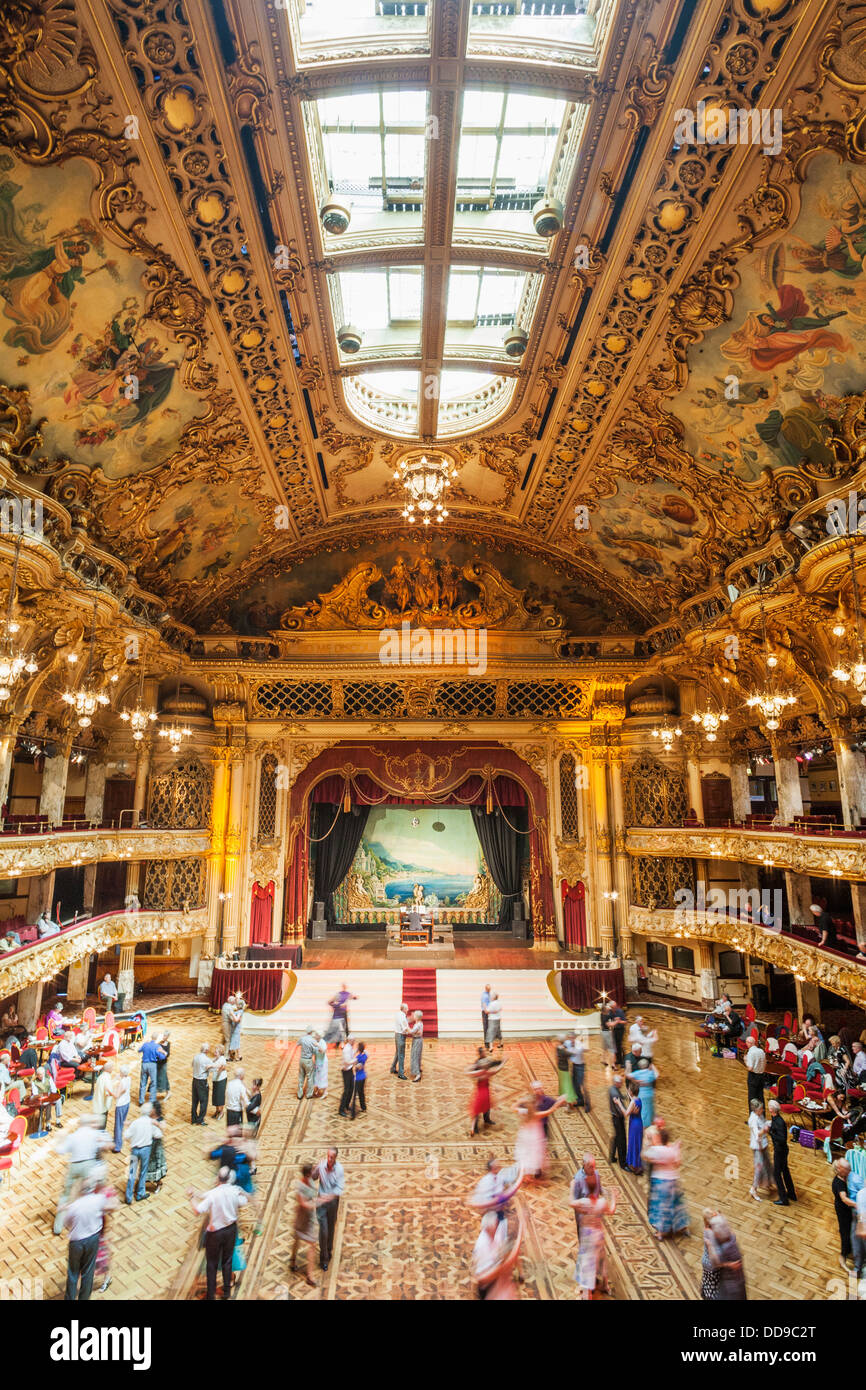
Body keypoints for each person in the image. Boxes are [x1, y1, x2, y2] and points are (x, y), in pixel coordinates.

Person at [190, 1167, 248, 1301]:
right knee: (227, 1261)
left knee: (212, 1264)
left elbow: (198, 1210)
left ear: (218, 1179)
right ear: (229, 1178)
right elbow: (243, 1202)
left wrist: (192, 1197)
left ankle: (210, 1295)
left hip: (215, 1233)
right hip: (231, 1230)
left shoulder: (214, 1194)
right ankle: (227, 1291)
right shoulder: (234, 1191)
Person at [61, 1173, 115, 1301]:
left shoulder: (75, 1206)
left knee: (73, 1273)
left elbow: (67, 1223)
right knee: (88, 1272)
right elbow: (110, 1206)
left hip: (76, 1242)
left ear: (81, 1190)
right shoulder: (99, 1199)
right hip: (93, 1239)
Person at [53, 1116, 111, 1234]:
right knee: (87, 1193)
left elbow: (60, 1150)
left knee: (66, 1194)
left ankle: (58, 1227)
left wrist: (58, 1140)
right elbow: (104, 1146)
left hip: (74, 1166)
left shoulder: (73, 1136)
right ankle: (88, 1220)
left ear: (79, 1124)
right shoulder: (93, 1134)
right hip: (88, 1166)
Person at [571, 1173, 617, 1299]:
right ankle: (605, 1285)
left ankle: (587, 1294)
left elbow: (571, 1203)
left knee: (587, 1265)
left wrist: (572, 1186)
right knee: (602, 1261)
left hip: (588, 1237)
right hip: (598, 1235)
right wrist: (613, 1197)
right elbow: (612, 1210)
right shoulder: (601, 1203)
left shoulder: (584, 1202)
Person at [645, 1122, 690, 1239]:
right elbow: (677, 1163)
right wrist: (677, 1148)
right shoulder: (671, 1149)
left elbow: (645, 1156)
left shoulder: (656, 1150)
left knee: (662, 1207)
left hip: (660, 1182)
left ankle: (661, 1232)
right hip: (674, 1180)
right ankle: (682, 1227)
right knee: (676, 1204)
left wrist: (650, 1142)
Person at [472, 1209, 524, 1300]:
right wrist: (502, 1268)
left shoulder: (496, 1233)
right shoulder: (482, 1246)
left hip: (496, 1281)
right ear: (489, 1228)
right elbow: (481, 1278)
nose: (497, 1225)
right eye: (495, 1224)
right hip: (488, 1285)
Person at [313, 1147, 344, 1272]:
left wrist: (329, 1197)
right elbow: (313, 1177)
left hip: (332, 1203)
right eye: (328, 1156)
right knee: (324, 1230)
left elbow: (339, 1189)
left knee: (331, 1227)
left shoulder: (339, 1169)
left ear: (335, 1158)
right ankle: (323, 1258)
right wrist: (315, 1169)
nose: (329, 1159)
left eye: (331, 1157)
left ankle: (329, 1250)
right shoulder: (322, 1165)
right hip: (321, 1202)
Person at [124, 1102, 161, 1204]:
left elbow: (126, 1135)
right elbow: (158, 1134)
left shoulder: (135, 1123)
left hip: (135, 1150)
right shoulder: (150, 1123)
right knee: (143, 1172)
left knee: (132, 1173)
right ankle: (140, 1194)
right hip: (146, 1150)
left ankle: (128, 1197)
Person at [290, 1162, 319, 1287]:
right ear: (307, 1174)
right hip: (303, 1217)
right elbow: (303, 1204)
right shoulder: (300, 1187)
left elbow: (318, 1169)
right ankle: (310, 1276)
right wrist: (317, 1203)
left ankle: (292, 1261)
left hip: (309, 1217)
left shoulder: (310, 1179)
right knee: (310, 1244)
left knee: (298, 1238)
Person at [708, 1214, 747, 1299]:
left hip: (730, 1285)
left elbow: (714, 1263)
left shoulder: (725, 1249)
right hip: (735, 1281)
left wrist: (727, 1265)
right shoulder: (731, 1237)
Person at [767, 1099, 797, 1206]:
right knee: (785, 1171)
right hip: (782, 1149)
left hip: (780, 1150)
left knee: (777, 1174)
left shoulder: (779, 1121)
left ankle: (783, 1199)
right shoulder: (776, 1119)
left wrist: (770, 1132)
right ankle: (792, 1194)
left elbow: (782, 1138)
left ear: (771, 1109)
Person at [468, 1050, 502, 1136]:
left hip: (484, 1092)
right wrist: (503, 1062)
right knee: (479, 1110)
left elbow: (494, 1064)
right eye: (483, 1052)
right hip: (482, 1093)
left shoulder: (482, 1071)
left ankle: (482, 1123)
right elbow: (496, 1068)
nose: (484, 1053)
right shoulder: (484, 1072)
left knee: (482, 1108)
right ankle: (475, 1128)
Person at [514, 1093, 547, 1179]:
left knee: (526, 1153)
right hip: (534, 1136)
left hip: (525, 1135)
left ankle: (527, 1173)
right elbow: (550, 1111)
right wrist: (558, 1103)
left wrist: (520, 1100)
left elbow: (512, 1107)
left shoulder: (524, 1112)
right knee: (535, 1154)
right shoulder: (535, 1115)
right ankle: (533, 1172)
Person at [747, 1099, 774, 1202]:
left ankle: (768, 1182)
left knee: (767, 1163)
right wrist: (765, 1129)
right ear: (756, 1110)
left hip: (763, 1144)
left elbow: (763, 1123)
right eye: (761, 1109)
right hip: (757, 1147)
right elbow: (757, 1132)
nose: (763, 1111)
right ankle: (753, 1189)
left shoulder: (760, 1115)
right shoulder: (753, 1119)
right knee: (759, 1168)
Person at [832, 1159, 854, 1271]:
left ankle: (849, 1249)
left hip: (847, 1210)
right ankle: (843, 1256)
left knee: (850, 1230)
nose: (849, 1171)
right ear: (840, 1170)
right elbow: (844, 1199)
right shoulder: (838, 1183)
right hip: (842, 1211)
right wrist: (857, 1204)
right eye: (847, 1169)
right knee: (845, 1233)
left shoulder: (844, 1177)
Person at [137, 1033, 166, 1107]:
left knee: (143, 1082)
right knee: (153, 1083)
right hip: (152, 1065)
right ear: (156, 1039)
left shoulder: (146, 1044)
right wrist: (164, 1052)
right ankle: (152, 1101)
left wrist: (144, 1044)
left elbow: (139, 1050)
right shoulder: (157, 1046)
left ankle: (141, 1101)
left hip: (144, 1064)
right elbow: (162, 1057)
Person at [146, 1099, 168, 1191]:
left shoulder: (160, 1119)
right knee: (146, 1165)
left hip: (156, 1146)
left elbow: (163, 1128)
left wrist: (157, 1124)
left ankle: (159, 1183)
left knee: (156, 1164)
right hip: (147, 1144)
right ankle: (142, 1183)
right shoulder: (147, 1117)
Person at [700, 1208, 722, 1300]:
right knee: (714, 1283)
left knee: (708, 1279)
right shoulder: (714, 1235)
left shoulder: (707, 1230)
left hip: (706, 1261)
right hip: (712, 1264)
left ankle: (704, 1292)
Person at [608, 1070, 628, 1170]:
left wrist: (626, 1096)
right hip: (618, 1118)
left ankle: (611, 1156)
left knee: (616, 1137)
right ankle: (623, 1163)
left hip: (615, 1117)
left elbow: (620, 1096)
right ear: (617, 1083)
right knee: (621, 1140)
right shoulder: (615, 1093)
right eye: (621, 1083)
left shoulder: (612, 1088)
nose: (622, 1084)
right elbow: (619, 1108)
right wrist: (626, 1113)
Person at [191, 1043, 215, 1125]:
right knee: (204, 1101)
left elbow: (192, 1065)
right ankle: (200, 1120)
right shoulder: (207, 1059)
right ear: (207, 1050)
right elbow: (212, 1069)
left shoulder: (196, 1057)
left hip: (194, 1080)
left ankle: (193, 1119)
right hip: (202, 1082)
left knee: (194, 1101)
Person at [624, 1078, 644, 1174]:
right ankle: (638, 1164)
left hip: (634, 1126)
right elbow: (633, 1101)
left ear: (631, 1091)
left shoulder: (633, 1102)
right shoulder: (638, 1099)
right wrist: (629, 1096)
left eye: (628, 1090)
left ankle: (636, 1167)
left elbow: (626, 1113)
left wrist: (619, 1103)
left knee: (633, 1144)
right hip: (639, 1123)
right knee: (638, 1144)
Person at [568, 1030, 590, 1111]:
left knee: (583, 1086)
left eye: (572, 1038)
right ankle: (580, 1100)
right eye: (570, 1038)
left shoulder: (579, 1045)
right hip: (574, 1066)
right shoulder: (568, 1044)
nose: (571, 1040)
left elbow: (578, 1051)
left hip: (580, 1067)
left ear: (575, 1038)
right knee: (575, 1085)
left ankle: (588, 1104)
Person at [744, 1035, 766, 1117]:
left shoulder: (751, 1053)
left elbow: (750, 1068)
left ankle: (752, 1118)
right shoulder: (761, 1051)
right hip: (761, 1076)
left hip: (753, 1077)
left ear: (749, 1043)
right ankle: (762, 1116)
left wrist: (745, 1061)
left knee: (752, 1098)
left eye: (746, 1042)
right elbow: (764, 1064)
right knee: (761, 1097)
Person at [111, 1065, 131, 1152]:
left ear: (122, 1073)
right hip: (127, 1103)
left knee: (118, 1125)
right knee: (121, 1124)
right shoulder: (129, 1079)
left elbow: (116, 1095)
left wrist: (110, 1090)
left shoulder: (121, 1083)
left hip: (120, 1105)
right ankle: (118, 1141)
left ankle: (117, 1146)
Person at [92, 1059, 116, 1132]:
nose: (113, 1069)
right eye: (112, 1067)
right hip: (103, 1106)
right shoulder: (106, 1078)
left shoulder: (102, 1076)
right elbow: (107, 1092)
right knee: (101, 1127)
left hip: (97, 1104)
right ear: (109, 1069)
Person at [556, 1034, 577, 1106]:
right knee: (567, 1085)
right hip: (565, 1070)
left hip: (560, 1068)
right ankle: (568, 1100)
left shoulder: (558, 1048)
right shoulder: (564, 1051)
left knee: (562, 1084)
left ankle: (561, 1098)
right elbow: (574, 1053)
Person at [297, 1025, 317, 1100]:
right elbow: (315, 1050)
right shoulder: (312, 1040)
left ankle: (299, 1093)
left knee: (301, 1077)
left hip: (302, 1059)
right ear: (311, 1032)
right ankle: (308, 1094)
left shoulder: (302, 1038)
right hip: (308, 1060)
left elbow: (297, 1044)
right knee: (309, 1077)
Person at [390, 1002, 409, 1080]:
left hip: (397, 1035)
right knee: (401, 1055)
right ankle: (401, 1073)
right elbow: (404, 1027)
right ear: (404, 1009)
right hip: (401, 1036)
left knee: (398, 1053)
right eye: (407, 1008)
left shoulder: (398, 1014)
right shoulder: (402, 1016)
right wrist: (410, 1031)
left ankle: (393, 1068)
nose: (408, 1010)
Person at [338, 1034, 356, 1117]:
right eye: (353, 1040)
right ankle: (341, 1109)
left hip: (350, 1070)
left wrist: (358, 1051)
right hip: (346, 1071)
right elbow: (347, 1062)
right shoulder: (346, 1049)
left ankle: (346, 1105)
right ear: (350, 1040)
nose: (354, 1042)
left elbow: (352, 1054)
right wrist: (356, 1060)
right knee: (346, 1090)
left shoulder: (350, 1047)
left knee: (351, 1089)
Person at [351, 1040, 368, 1118]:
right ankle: (363, 1107)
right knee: (361, 1093)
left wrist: (356, 1066)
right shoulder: (365, 1056)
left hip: (358, 1078)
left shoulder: (357, 1057)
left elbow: (355, 1067)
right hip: (364, 1077)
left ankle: (353, 1113)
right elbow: (367, 1053)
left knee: (355, 1095)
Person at [211, 1045, 228, 1121]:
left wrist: (219, 1070)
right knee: (215, 1095)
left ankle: (221, 1112)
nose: (215, 1052)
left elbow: (224, 1067)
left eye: (216, 1051)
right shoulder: (215, 1059)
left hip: (221, 1080)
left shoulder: (222, 1059)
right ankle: (217, 1110)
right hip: (215, 1080)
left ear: (220, 1052)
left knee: (220, 1096)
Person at [606, 1001, 626, 1066]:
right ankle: (618, 1060)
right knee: (616, 1046)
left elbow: (625, 1022)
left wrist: (619, 1021)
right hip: (615, 1030)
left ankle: (623, 1061)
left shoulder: (620, 1011)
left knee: (620, 1045)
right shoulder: (611, 1012)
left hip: (621, 1030)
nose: (614, 1008)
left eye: (614, 1007)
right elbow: (608, 1018)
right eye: (612, 1007)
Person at [227, 995, 245, 1061]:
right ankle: (239, 1055)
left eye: (237, 1004)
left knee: (233, 1042)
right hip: (236, 1028)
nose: (236, 1004)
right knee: (236, 1042)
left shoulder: (240, 1012)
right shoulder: (240, 1010)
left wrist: (232, 1014)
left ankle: (231, 1057)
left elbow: (237, 1020)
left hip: (235, 1029)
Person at [155, 1030, 171, 1097]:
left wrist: (163, 1052)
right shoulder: (159, 1043)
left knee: (164, 1077)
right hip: (157, 1062)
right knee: (156, 1077)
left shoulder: (168, 1044)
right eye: (163, 1035)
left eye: (165, 1036)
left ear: (167, 1037)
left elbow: (168, 1054)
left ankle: (168, 1092)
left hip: (163, 1063)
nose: (164, 1037)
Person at [409, 1011, 424, 1081]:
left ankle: (417, 1074)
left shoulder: (417, 1025)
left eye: (414, 1016)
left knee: (415, 1056)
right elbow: (417, 1032)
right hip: (419, 1040)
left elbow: (412, 1032)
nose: (413, 1017)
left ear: (417, 1017)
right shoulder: (420, 1023)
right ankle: (418, 1068)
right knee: (418, 1055)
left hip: (417, 1041)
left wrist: (406, 1029)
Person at [313, 1031, 328, 1098]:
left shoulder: (322, 1042)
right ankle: (317, 1090)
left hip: (323, 1062)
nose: (315, 1036)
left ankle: (325, 1092)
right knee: (317, 1076)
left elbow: (323, 1051)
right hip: (317, 1062)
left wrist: (318, 1046)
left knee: (323, 1076)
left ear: (319, 1036)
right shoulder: (316, 1042)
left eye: (316, 1035)